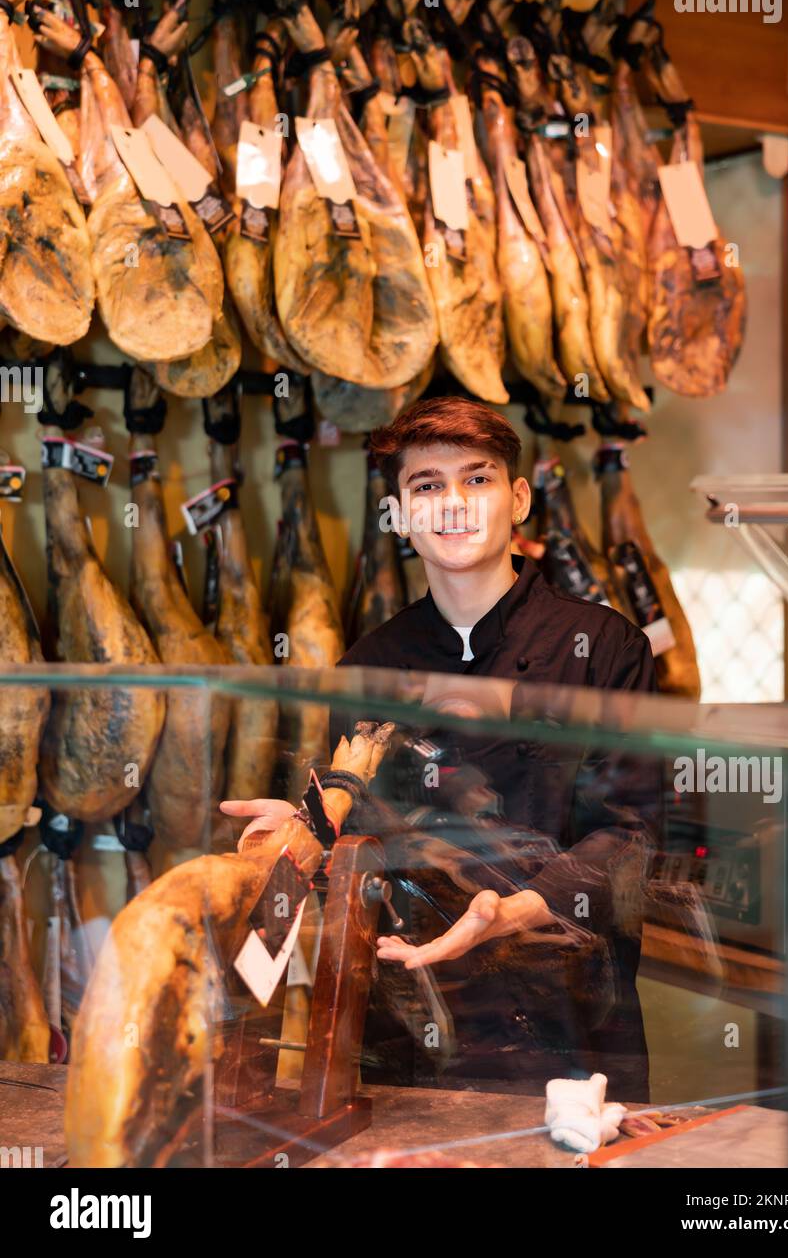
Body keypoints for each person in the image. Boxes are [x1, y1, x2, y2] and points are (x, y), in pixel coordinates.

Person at [223, 397, 661, 1099]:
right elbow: (366, 832)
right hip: (407, 1027)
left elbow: (635, 836)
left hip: (570, 1032)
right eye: (426, 486)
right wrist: (311, 830)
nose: (452, 504)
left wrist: (513, 911)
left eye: (477, 480)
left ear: (517, 499)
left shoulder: (606, 649)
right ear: (400, 515)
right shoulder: (371, 665)